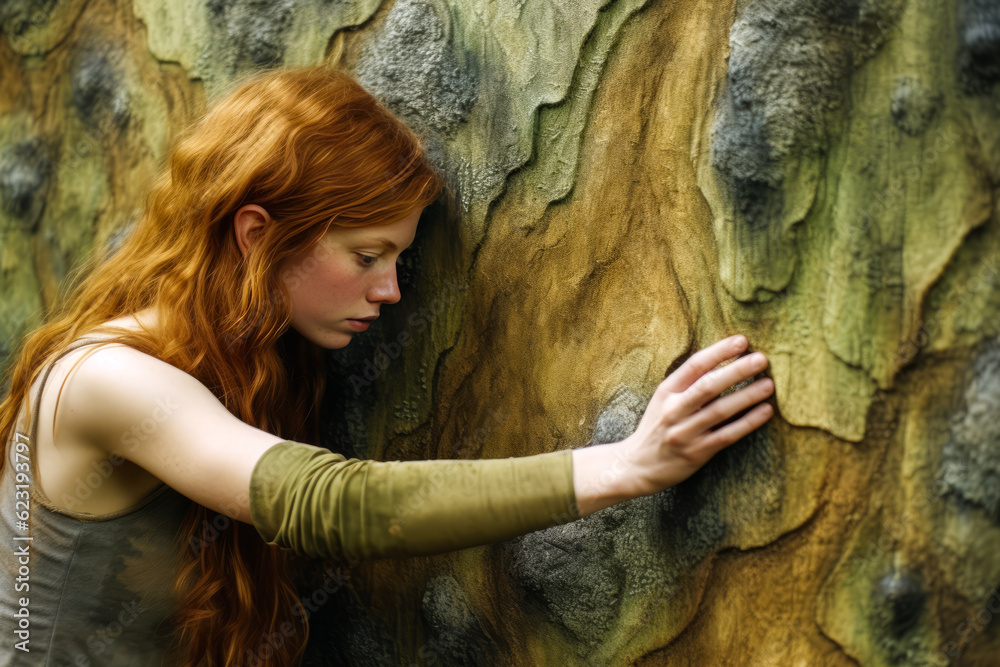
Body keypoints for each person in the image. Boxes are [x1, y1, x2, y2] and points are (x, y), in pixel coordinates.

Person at [0, 65, 774, 665]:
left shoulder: (236, 356)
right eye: (366, 254)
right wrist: (627, 465)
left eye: (399, 257)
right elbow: (339, 505)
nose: (391, 290)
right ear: (255, 231)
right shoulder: (108, 380)